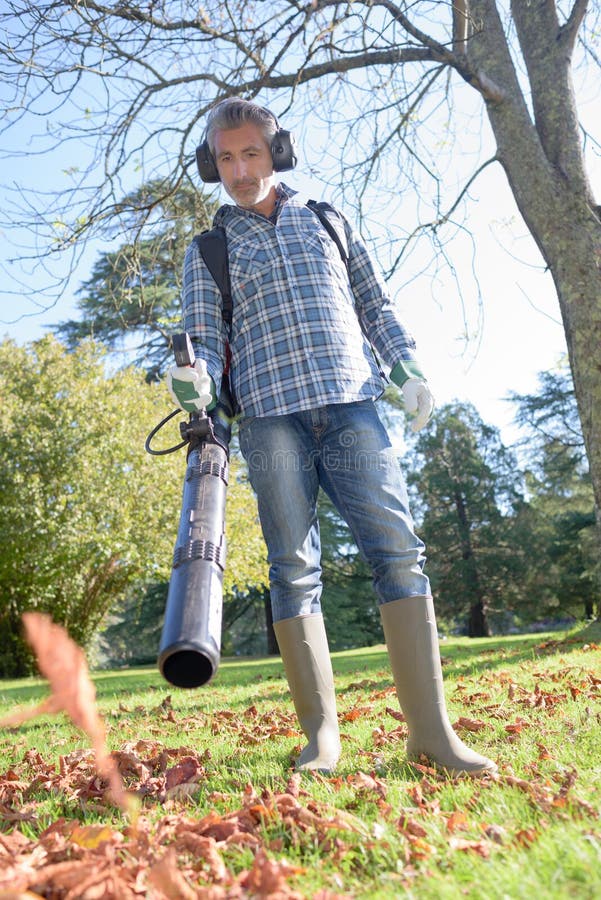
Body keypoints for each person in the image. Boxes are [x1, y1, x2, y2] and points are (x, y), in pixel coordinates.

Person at [167, 98, 497, 777]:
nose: (239, 170)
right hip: (268, 416)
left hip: (353, 403)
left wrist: (404, 365)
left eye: (250, 153)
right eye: (225, 159)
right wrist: (192, 379)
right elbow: (201, 336)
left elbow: (373, 302)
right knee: (293, 567)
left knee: (398, 553)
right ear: (211, 165)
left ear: (276, 151)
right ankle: (322, 738)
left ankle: (431, 735)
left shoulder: (325, 219)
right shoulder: (209, 250)